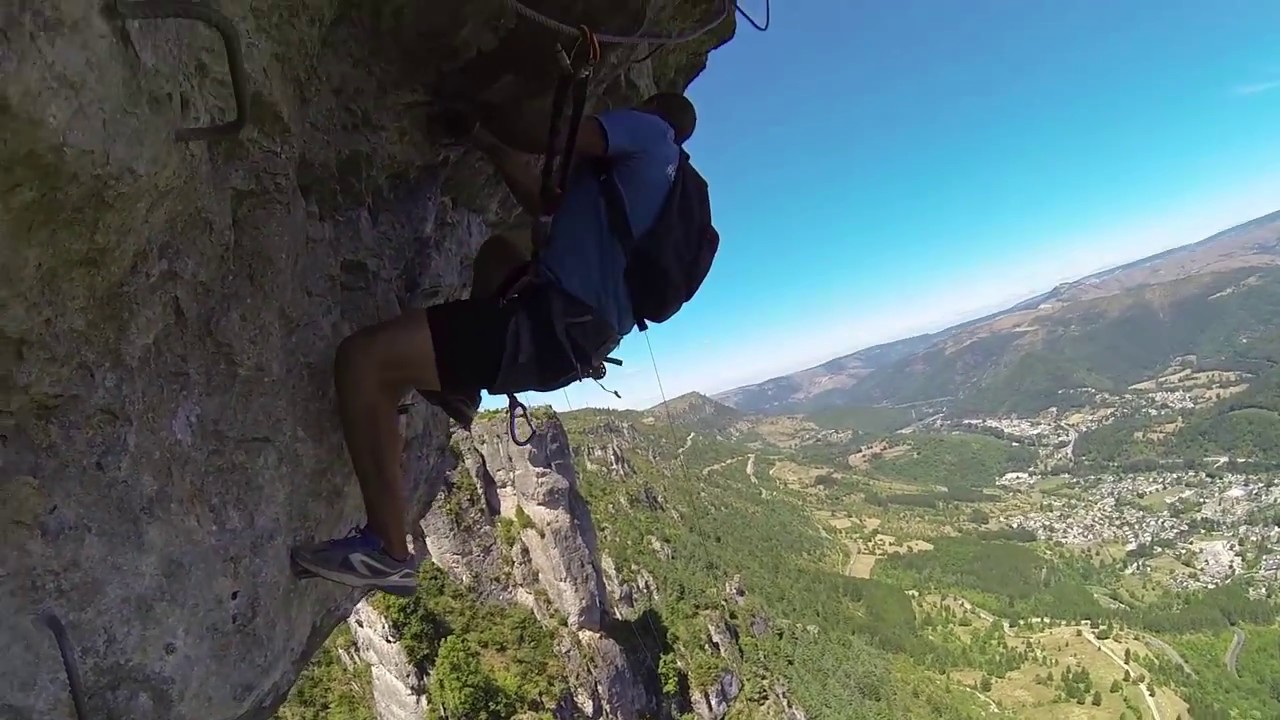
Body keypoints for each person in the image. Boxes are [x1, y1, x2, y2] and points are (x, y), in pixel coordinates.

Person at [290, 92, 699, 596]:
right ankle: (460, 388)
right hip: (566, 338)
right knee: (501, 248)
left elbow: (550, 132)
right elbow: (542, 205)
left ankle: (387, 551)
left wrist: (487, 91)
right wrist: (483, 140)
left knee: (364, 361)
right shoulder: (644, 187)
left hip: (543, 328)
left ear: (652, 109)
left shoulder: (649, 134)